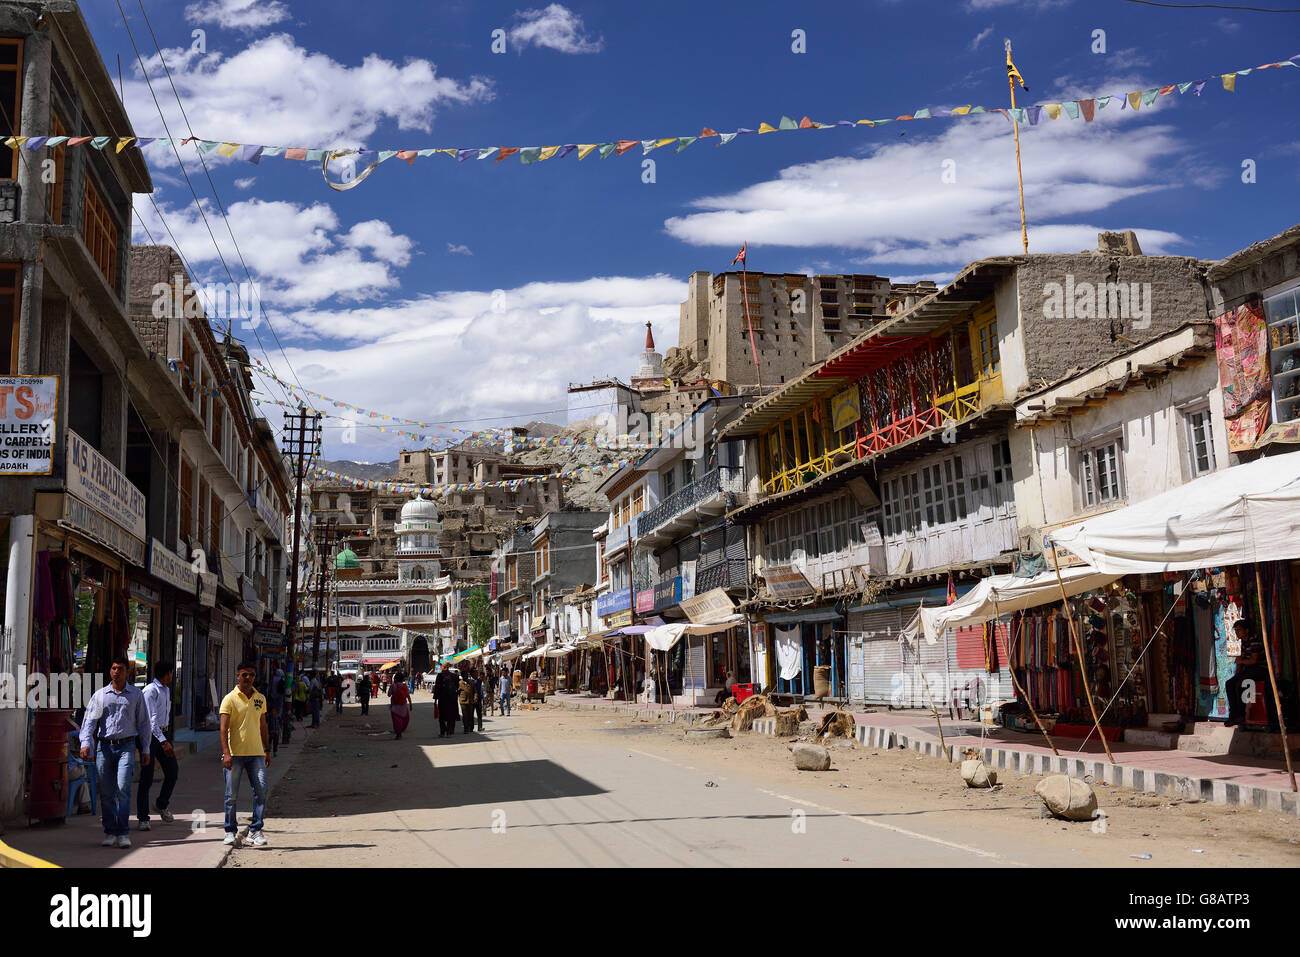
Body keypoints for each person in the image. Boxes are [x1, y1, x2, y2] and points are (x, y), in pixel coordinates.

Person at [78, 656, 152, 848]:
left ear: (127, 671)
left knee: (123, 788)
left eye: (120, 668)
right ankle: (110, 830)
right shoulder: (100, 695)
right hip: (105, 747)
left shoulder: (136, 695)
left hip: (127, 746)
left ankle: (123, 832)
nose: (116, 671)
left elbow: (144, 723)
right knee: (107, 791)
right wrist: (86, 743)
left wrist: (145, 748)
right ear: (110, 671)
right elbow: (89, 722)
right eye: (113, 668)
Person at [219, 661, 271, 847]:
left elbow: (263, 725)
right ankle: (230, 831)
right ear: (237, 676)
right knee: (231, 795)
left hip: (256, 754)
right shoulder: (229, 699)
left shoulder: (260, 698)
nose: (248, 678)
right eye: (245, 675)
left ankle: (255, 830)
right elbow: (223, 729)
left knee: (262, 791)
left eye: (252, 675)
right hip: (235, 755)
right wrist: (226, 753)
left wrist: (266, 749)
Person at [137, 660, 179, 832]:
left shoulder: (166, 690)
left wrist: (166, 737)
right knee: (146, 777)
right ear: (166, 673)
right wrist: (163, 741)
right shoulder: (150, 691)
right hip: (149, 736)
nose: (172, 676)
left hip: (163, 734)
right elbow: (149, 721)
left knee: (172, 771)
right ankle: (143, 817)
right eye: (171, 672)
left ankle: (161, 804)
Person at [1226, 619, 1272, 728]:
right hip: (1250, 670)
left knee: (1241, 684)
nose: (1237, 632)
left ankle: (1241, 715)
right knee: (1229, 683)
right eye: (1236, 630)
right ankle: (1234, 714)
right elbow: (1241, 659)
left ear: (1246, 630)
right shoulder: (1244, 642)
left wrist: (1240, 661)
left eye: (1239, 630)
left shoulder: (1254, 640)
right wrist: (1237, 672)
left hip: (1260, 669)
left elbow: (1253, 660)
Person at [434, 662, 460, 737]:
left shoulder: (440, 675)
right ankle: (449, 731)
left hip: (442, 699)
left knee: (441, 716)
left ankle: (443, 732)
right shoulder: (454, 676)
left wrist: (435, 699)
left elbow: (437, 688)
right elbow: (457, 687)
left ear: (444, 667)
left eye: (442, 666)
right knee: (450, 715)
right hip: (452, 699)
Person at [390, 673, 412, 739]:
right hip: (403, 705)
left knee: (396, 720)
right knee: (404, 719)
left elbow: (389, 694)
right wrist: (410, 704)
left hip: (395, 706)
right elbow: (408, 696)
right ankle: (401, 730)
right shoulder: (405, 686)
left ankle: (398, 734)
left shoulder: (393, 685)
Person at [458, 668, 478, 734]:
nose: (465, 676)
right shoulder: (460, 683)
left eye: (466, 675)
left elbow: (475, 691)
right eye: (464, 675)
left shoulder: (471, 682)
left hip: (470, 701)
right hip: (463, 701)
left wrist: (475, 697)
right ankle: (465, 728)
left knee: (470, 715)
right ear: (462, 676)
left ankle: (471, 727)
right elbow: (457, 692)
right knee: (465, 715)